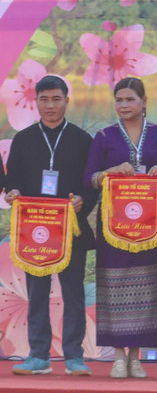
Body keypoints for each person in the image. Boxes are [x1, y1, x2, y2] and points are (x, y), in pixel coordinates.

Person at [85, 77, 157, 379]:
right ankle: (117, 356)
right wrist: (108, 172)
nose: (124, 105)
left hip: (149, 224)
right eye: (119, 100)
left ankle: (136, 358)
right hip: (113, 225)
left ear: (144, 101)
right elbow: (89, 177)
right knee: (114, 286)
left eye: (130, 100)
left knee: (146, 287)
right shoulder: (103, 136)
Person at [5, 75, 96, 376]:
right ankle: (39, 356)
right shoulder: (23, 139)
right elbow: (12, 180)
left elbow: (92, 184)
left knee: (73, 294)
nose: (50, 105)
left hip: (71, 231)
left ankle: (74, 357)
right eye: (44, 99)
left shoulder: (83, 140)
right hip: (35, 232)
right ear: (37, 102)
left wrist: (84, 199)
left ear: (67, 101)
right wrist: (13, 191)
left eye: (56, 99)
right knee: (37, 292)